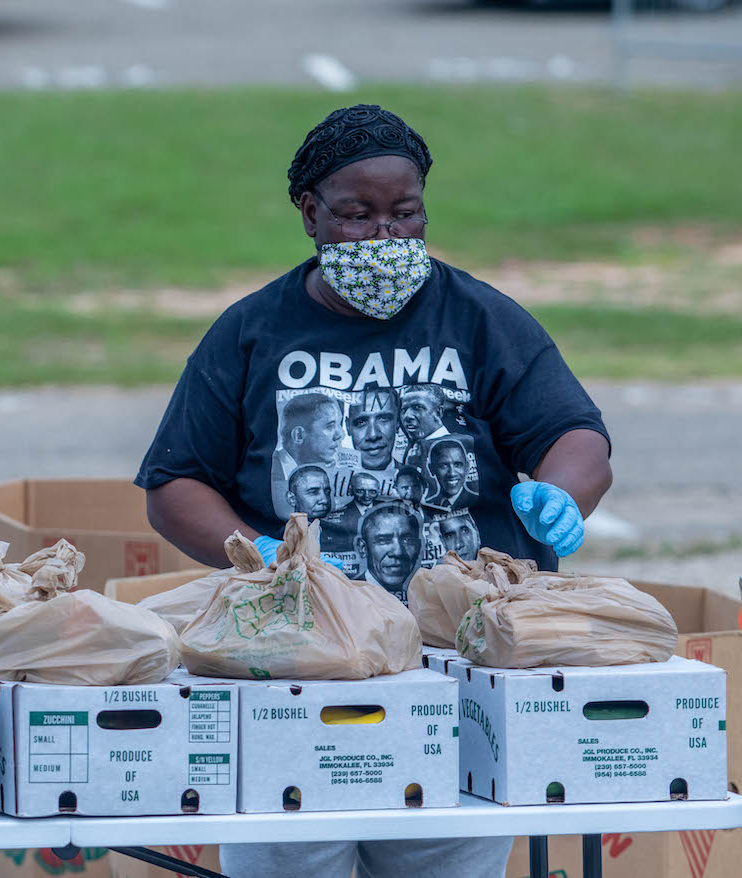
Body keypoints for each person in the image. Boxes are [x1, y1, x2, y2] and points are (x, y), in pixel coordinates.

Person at [136, 103, 611, 878]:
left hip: (459, 666)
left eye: (406, 212)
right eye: (357, 215)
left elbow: (575, 435)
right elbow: (175, 480)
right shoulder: (253, 332)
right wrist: (257, 553)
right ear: (310, 213)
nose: (385, 235)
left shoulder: (480, 320)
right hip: (296, 671)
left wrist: (561, 492)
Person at [357, 502, 423, 599]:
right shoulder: (347, 594)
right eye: (383, 540)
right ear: (363, 548)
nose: (398, 552)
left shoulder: (427, 593)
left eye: (407, 540)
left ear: (419, 546)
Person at [347, 388, 400, 493]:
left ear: (398, 422)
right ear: (348, 427)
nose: (373, 435)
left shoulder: (418, 475)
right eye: (361, 422)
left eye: (383, 419)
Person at [423, 437, 479, 511]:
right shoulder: (428, 506)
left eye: (458, 465)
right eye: (443, 465)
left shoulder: (477, 500)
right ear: (431, 469)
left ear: (467, 467)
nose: (452, 473)